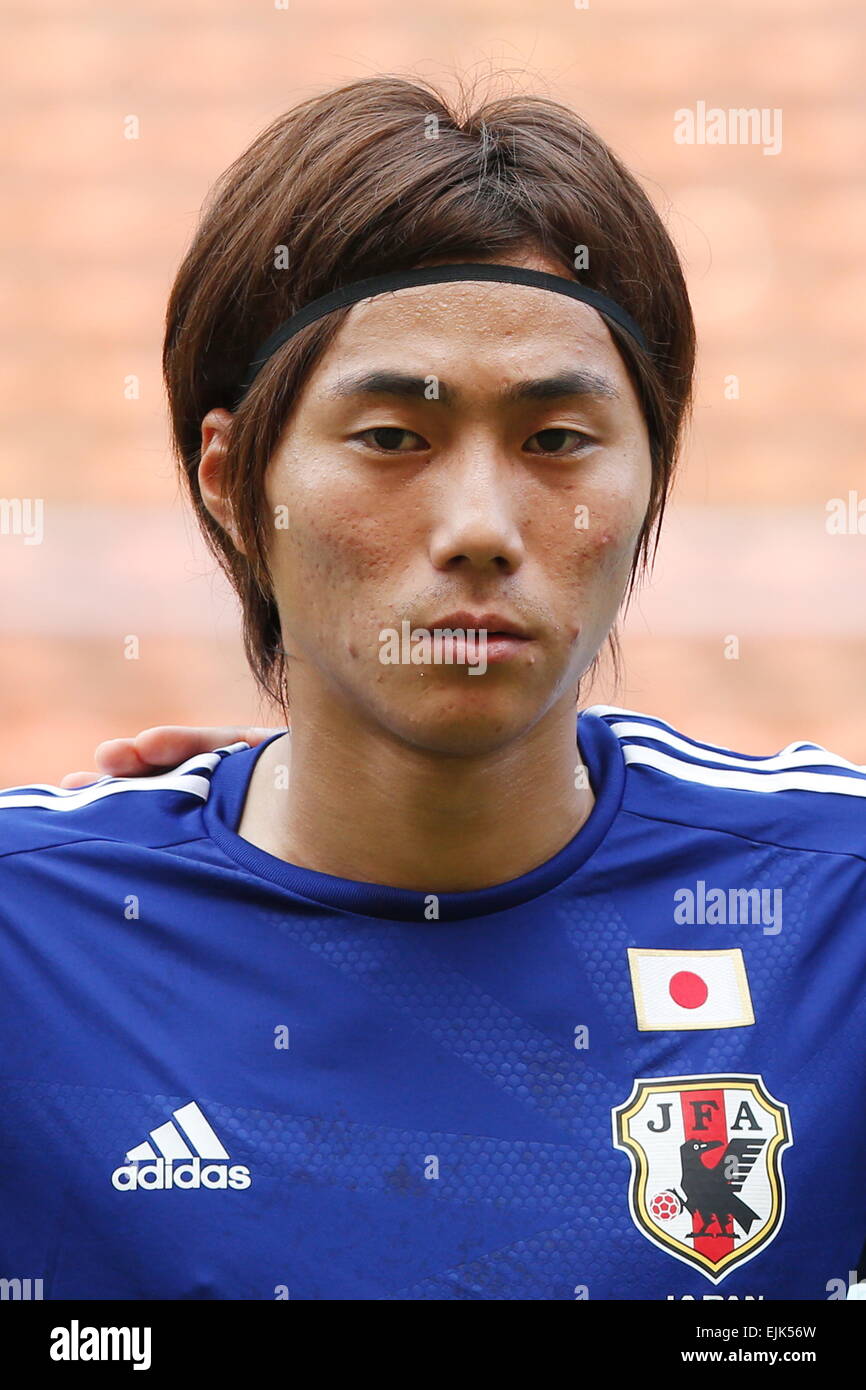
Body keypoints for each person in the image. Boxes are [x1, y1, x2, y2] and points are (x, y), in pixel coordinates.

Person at [2, 72, 864, 1303]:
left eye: (555, 440)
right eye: (392, 440)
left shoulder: (832, 915)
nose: (478, 528)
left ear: (650, 479)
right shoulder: (34, 940)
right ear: (232, 480)